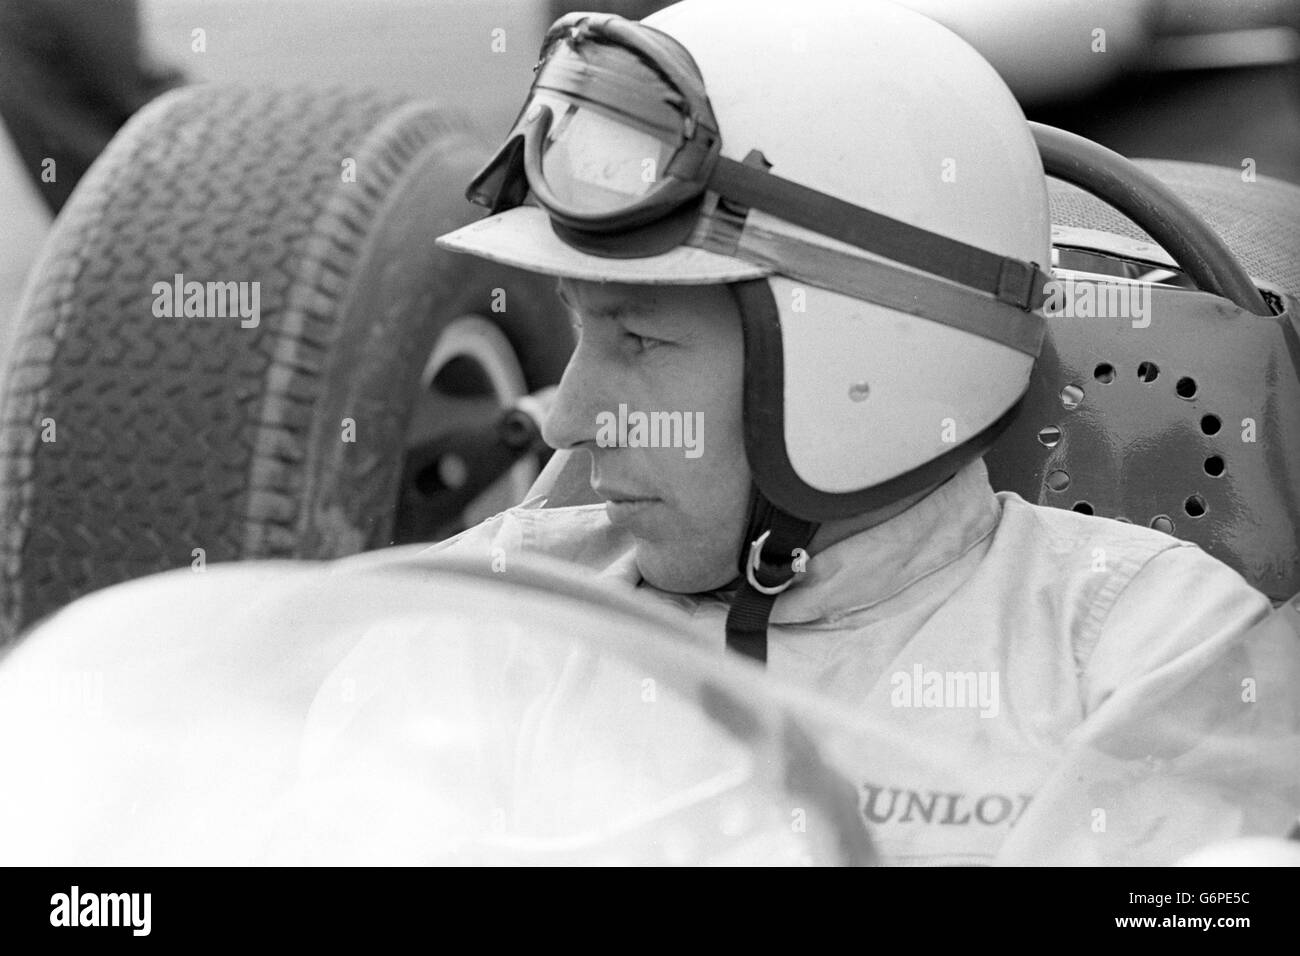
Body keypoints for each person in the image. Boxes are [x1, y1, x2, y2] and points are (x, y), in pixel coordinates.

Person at [428, 0, 1299, 863]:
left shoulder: (1146, 653)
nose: (569, 421)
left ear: (871, 354)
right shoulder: (481, 613)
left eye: (641, 341)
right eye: (584, 330)